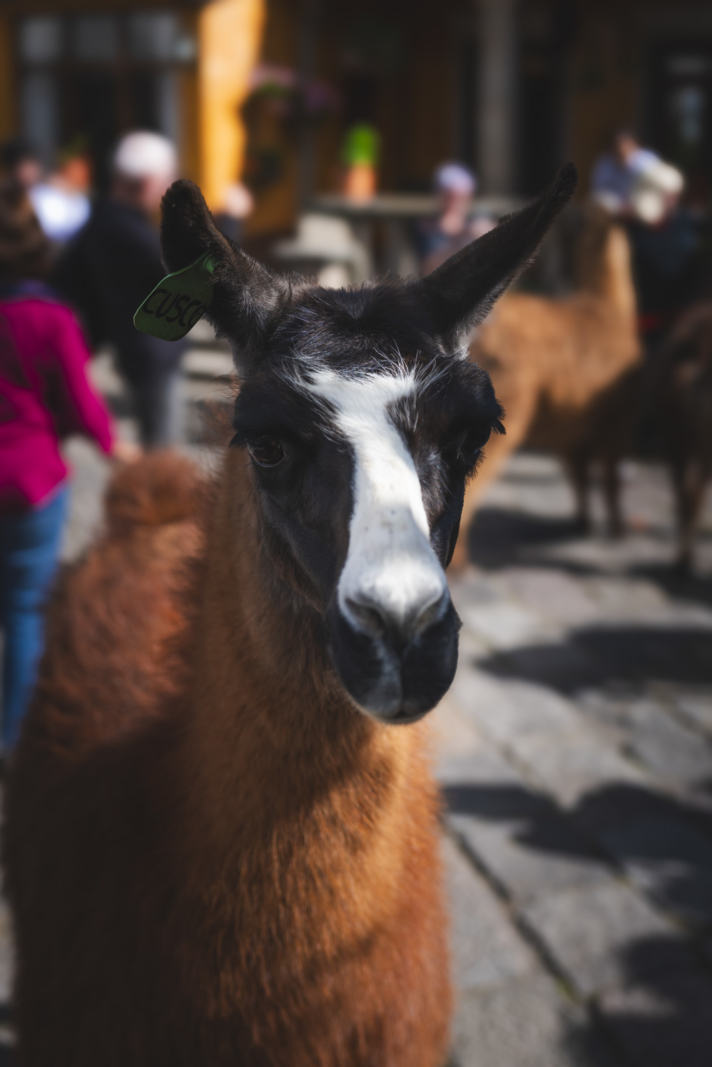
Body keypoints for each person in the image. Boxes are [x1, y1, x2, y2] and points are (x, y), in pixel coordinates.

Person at [0, 180, 135, 751]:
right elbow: (81, 404)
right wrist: (115, 448)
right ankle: (13, 744)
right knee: (27, 609)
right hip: (29, 482)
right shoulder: (48, 319)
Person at [55, 131, 185, 449]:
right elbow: (189, 273)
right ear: (148, 182)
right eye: (167, 181)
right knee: (163, 455)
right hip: (149, 355)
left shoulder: (108, 220)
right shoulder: (119, 227)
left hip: (143, 349)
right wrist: (230, 222)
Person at [417, 163, 494, 275]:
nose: (455, 202)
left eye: (461, 197)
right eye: (450, 196)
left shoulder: (479, 218)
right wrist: (460, 238)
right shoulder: (429, 225)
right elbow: (429, 268)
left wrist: (490, 236)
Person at [590, 129, 683, 222]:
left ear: (634, 145)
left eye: (626, 145)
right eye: (617, 146)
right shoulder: (605, 163)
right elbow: (598, 191)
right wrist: (621, 206)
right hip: (617, 210)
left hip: (647, 210)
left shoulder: (647, 160)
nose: (622, 150)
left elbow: (670, 185)